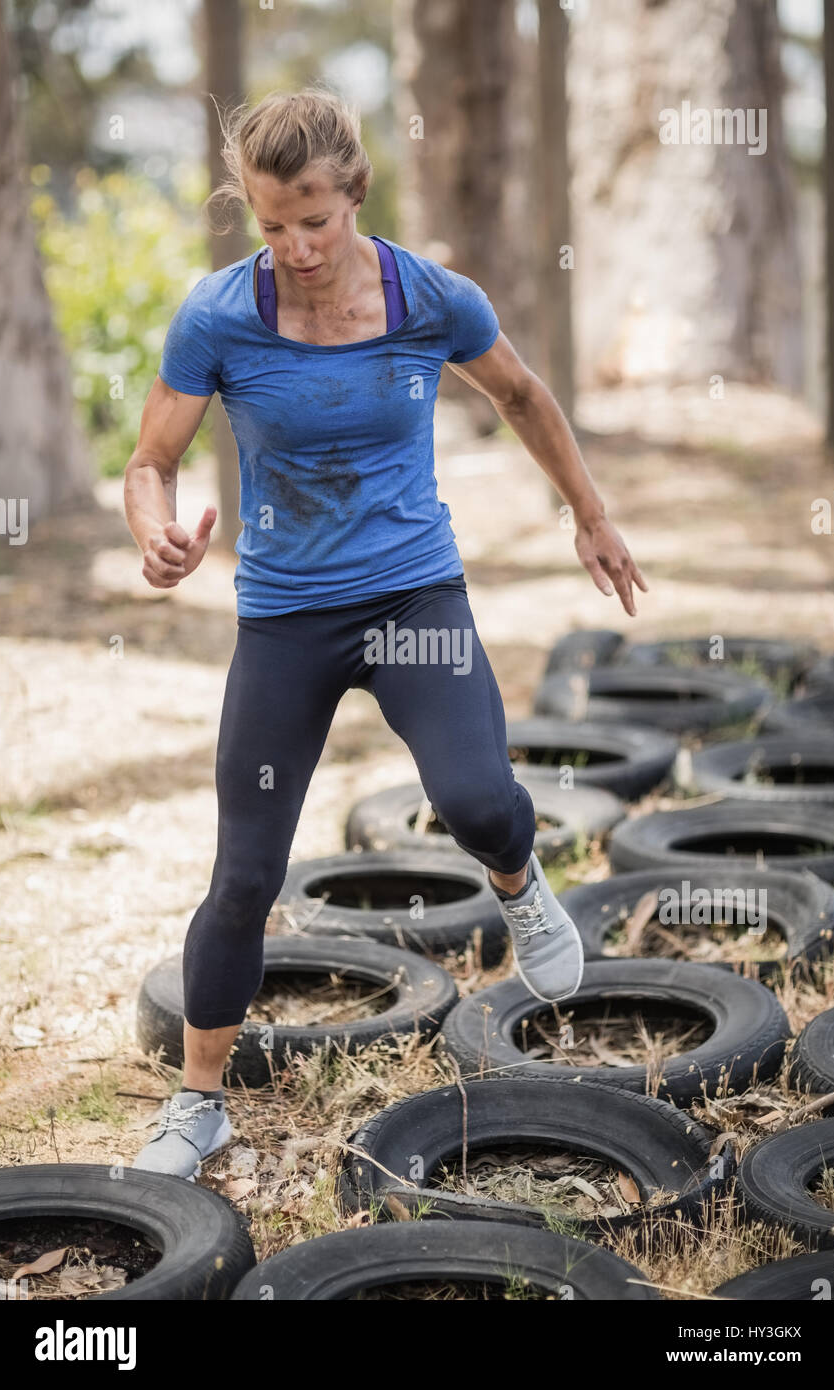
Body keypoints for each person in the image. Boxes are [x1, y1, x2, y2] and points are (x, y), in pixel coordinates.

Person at [124, 87, 647, 1180]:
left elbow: (521, 394)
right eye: (272, 225)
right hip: (285, 619)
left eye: (314, 218)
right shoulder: (218, 315)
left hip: (411, 596)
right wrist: (157, 533)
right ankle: (198, 1101)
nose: (297, 246)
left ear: (354, 191)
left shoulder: (428, 297)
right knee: (243, 873)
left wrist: (588, 515)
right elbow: (150, 462)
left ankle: (518, 885)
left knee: (476, 797)